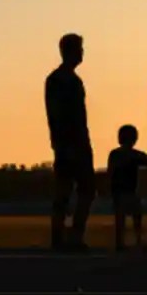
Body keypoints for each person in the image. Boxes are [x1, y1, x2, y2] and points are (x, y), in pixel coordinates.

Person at [45, 33, 94, 251]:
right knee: (70, 191)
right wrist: (64, 143)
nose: (82, 53)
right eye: (80, 49)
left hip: (75, 141)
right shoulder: (61, 81)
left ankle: (68, 236)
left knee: (79, 190)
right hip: (70, 142)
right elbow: (57, 115)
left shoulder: (69, 80)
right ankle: (66, 237)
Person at [107, 124, 147, 252]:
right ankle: (137, 240)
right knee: (136, 217)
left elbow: (110, 172)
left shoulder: (115, 154)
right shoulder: (136, 155)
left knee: (120, 218)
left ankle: (120, 242)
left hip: (119, 191)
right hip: (129, 191)